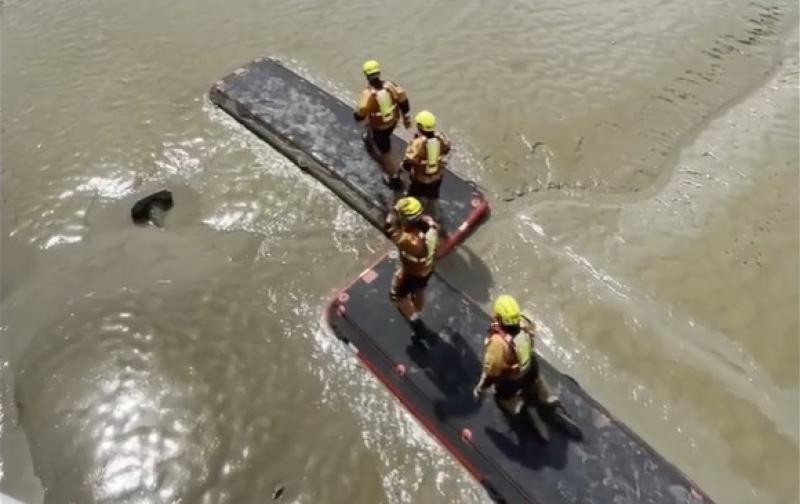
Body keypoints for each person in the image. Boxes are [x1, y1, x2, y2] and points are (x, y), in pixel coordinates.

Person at [473, 295, 582, 440]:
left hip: (513, 379)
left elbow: (492, 370)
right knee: (537, 382)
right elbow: (534, 332)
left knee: (503, 397)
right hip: (531, 369)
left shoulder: (498, 343)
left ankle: (522, 410)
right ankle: (550, 402)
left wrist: (481, 388)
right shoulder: (526, 322)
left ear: (499, 316)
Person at [386, 196, 439, 342]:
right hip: (427, 269)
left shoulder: (411, 241)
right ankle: (418, 310)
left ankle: (417, 325)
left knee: (399, 297)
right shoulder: (430, 224)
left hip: (413, 273)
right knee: (419, 289)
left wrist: (393, 212)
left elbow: (389, 231)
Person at [353, 60, 412, 189]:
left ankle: (393, 178)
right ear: (379, 73)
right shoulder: (391, 86)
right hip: (392, 121)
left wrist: (358, 115)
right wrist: (406, 117)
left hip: (380, 128)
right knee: (372, 125)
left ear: (366, 76)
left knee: (385, 152)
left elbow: (360, 114)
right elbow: (403, 101)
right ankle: (368, 136)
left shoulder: (368, 94)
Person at [402, 110, 451, 222]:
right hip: (437, 177)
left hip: (420, 178)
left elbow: (409, 160)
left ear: (419, 127)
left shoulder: (418, 143)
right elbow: (447, 148)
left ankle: (412, 216)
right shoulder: (441, 138)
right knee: (433, 197)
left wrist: (405, 169)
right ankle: (436, 217)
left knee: (413, 196)